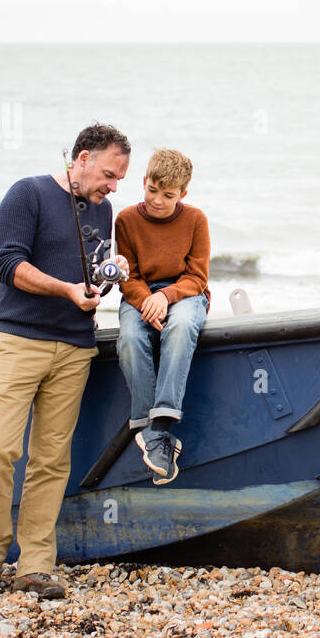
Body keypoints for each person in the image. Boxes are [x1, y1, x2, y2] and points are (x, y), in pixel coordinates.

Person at [0, 123, 130, 599]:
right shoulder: (28, 193)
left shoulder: (102, 209)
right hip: (19, 339)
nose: (113, 186)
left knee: (51, 460)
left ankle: (35, 565)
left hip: (76, 347)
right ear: (80, 159)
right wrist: (64, 289)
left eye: (119, 178)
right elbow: (6, 262)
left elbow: (87, 276)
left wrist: (110, 276)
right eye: (108, 174)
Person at [113, 148, 211, 484]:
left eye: (168, 195)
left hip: (184, 293)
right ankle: (153, 437)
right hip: (140, 294)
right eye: (152, 191)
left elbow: (197, 277)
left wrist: (165, 296)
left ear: (183, 193)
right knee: (128, 338)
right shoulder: (126, 220)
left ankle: (162, 424)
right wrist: (147, 301)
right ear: (144, 182)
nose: (157, 200)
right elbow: (129, 277)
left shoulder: (196, 219)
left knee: (181, 325)